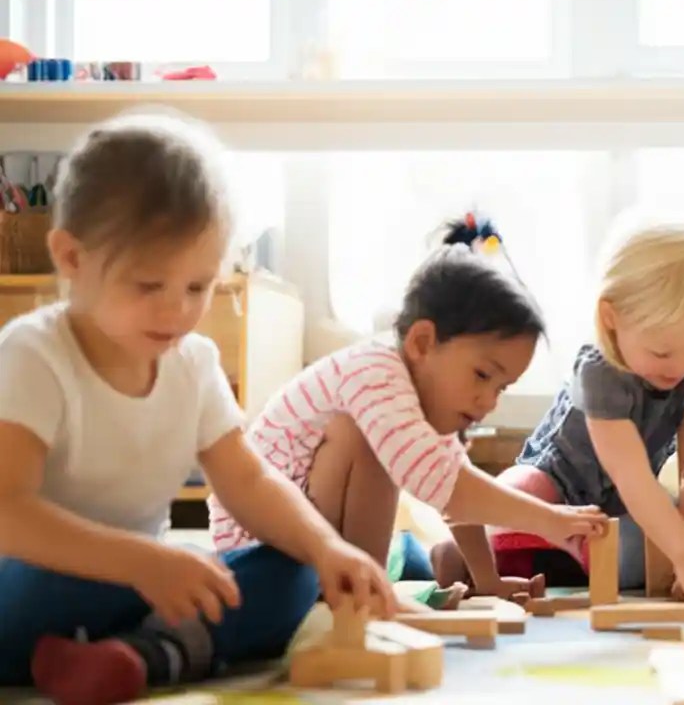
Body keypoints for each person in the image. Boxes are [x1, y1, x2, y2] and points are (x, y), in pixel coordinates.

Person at [0, 112, 394, 704]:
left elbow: (250, 481)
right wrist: (141, 562)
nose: (177, 311)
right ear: (72, 258)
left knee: (292, 570)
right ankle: (161, 646)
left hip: (137, 585)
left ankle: (139, 657)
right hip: (32, 584)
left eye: (197, 286)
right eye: (148, 286)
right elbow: (9, 511)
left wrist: (325, 546)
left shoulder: (194, 362)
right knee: (60, 585)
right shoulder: (34, 354)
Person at [207, 246, 608, 601]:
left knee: (415, 550)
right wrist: (549, 519)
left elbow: (454, 485)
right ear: (421, 343)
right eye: (482, 375)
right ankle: (369, 593)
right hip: (258, 550)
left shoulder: (419, 394)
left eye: (501, 388)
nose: (488, 401)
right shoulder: (377, 376)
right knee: (358, 437)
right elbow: (450, 490)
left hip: (302, 546)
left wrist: (489, 581)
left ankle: (370, 586)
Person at [454, 213, 684, 602]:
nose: (680, 365)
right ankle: (462, 556)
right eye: (661, 352)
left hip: (615, 509)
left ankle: (563, 556)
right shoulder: (599, 369)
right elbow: (631, 474)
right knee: (514, 501)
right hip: (556, 484)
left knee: (642, 541)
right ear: (611, 321)